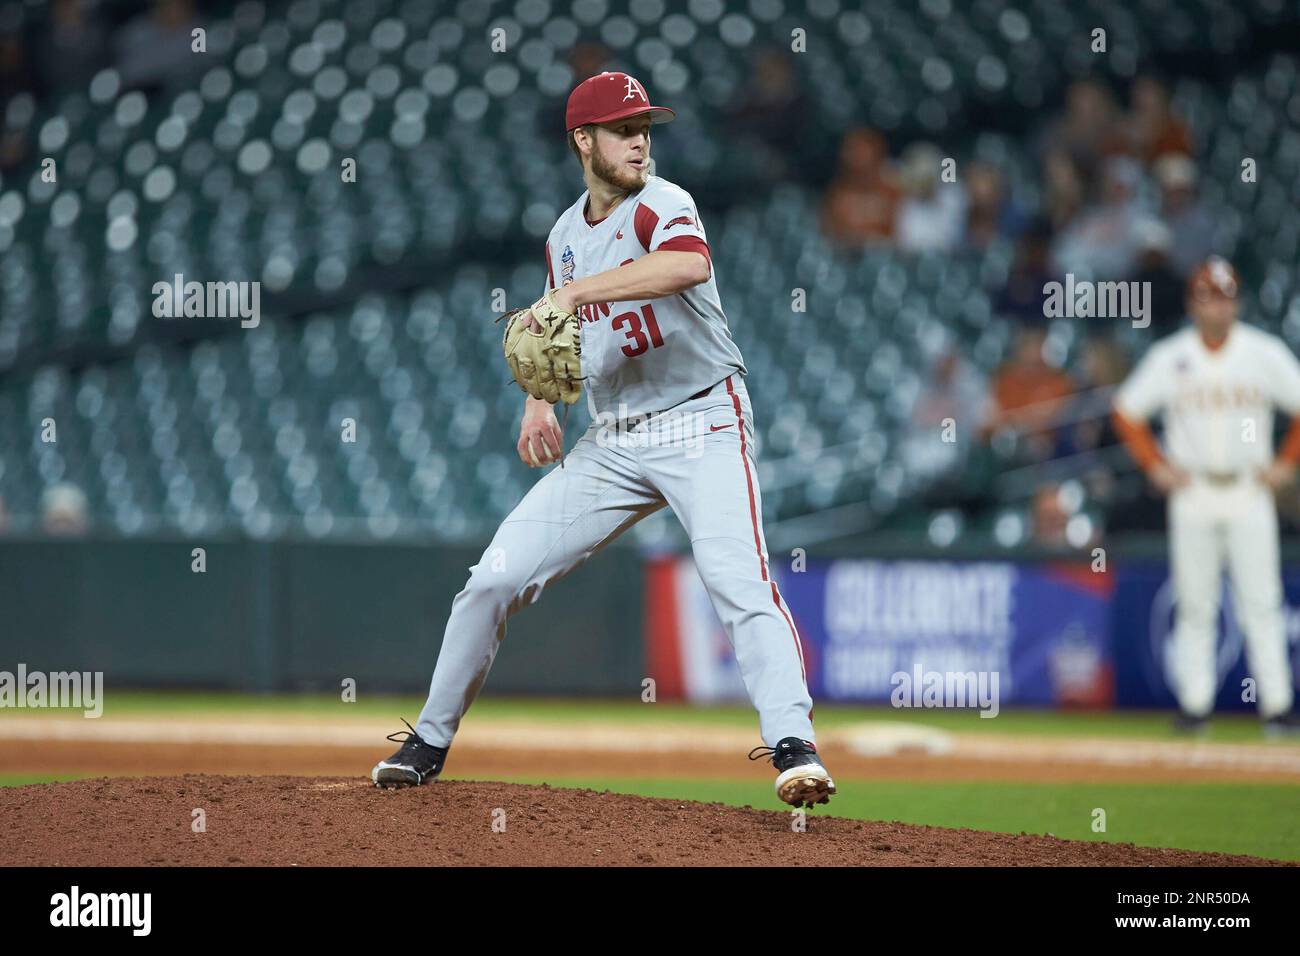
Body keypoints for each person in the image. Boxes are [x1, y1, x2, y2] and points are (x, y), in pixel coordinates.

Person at [372, 72, 835, 807]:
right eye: (623, 129)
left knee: (737, 580)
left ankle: (794, 745)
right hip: (613, 439)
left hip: (701, 420)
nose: (640, 139)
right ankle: (428, 740)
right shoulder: (563, 237)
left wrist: (575, 292)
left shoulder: (664, 204)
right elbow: (560, 337)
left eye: (645, 126)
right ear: (584, 141)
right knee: (493, 578)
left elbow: (689, 265)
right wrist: (538, 402)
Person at [1112, 257, 1300, 736]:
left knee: (1262, 600)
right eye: (1209, 295)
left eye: (1226, 294)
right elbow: (1126, 411)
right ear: (1194, 301)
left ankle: (1276, 707)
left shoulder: (1262, 352)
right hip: (1193, 490)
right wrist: (1155, 465)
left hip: (1246, 488)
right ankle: (1194, 708)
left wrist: (1286, 462)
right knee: (1195, 603)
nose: (1219, 304)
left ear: (1236, 299)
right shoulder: (1171, 356)